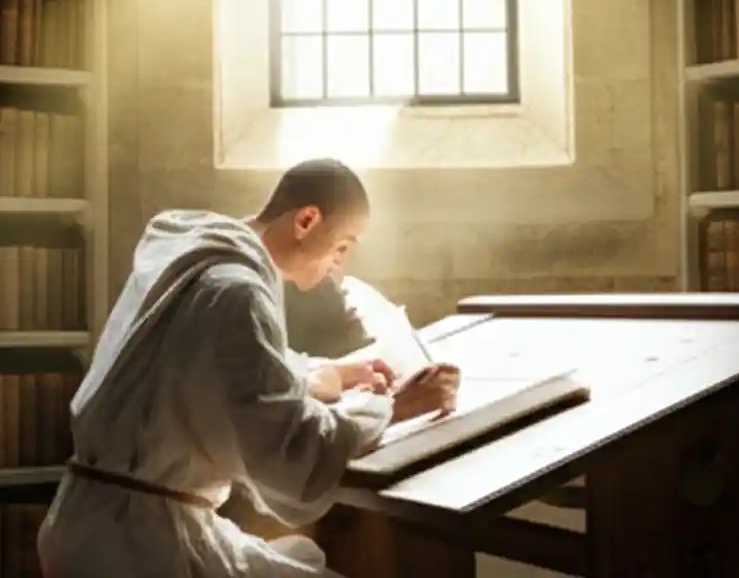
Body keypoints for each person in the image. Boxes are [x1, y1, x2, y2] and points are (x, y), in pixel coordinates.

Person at [37, 158, 461, 578]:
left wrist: (329, 375)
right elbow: (287, 450)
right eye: (343, 245)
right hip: (136, 549)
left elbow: (211, 373)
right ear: (307, 220)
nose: (340, 263)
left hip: (97, 525)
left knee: (301, 559)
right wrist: (396, 408)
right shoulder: (237, 292)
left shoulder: (195, 259)